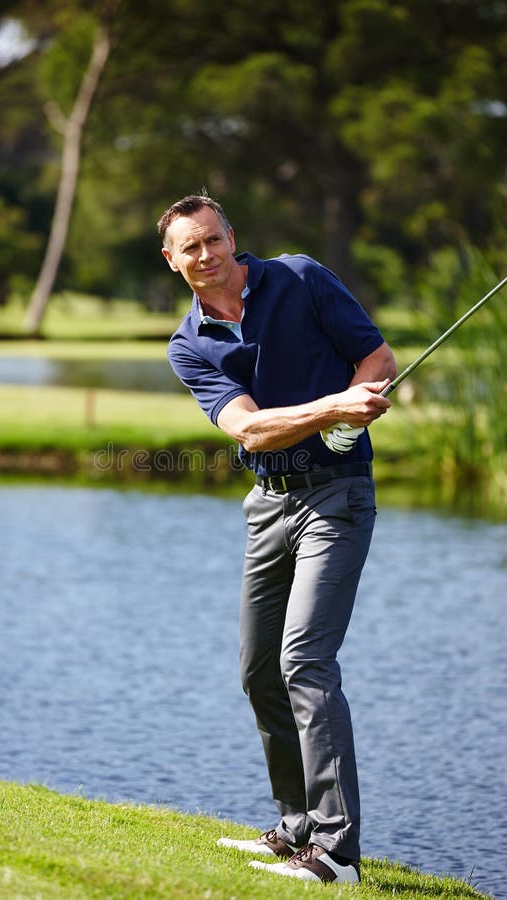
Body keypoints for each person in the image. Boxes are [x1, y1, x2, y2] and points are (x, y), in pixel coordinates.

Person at [157, 193, 396, 884]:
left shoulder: (299, 277)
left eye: (213, 239)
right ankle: (296, 825)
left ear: (233, 236)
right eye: (190, 248)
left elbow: (375, 358)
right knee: (258, 669)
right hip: (268, 503)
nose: (206, 256)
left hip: (337, 496)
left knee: (305, 663)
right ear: (170, 261)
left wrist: (358, 406)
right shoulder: (189, 344)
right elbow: (249, 429)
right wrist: (332, 409)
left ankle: (338, 852)